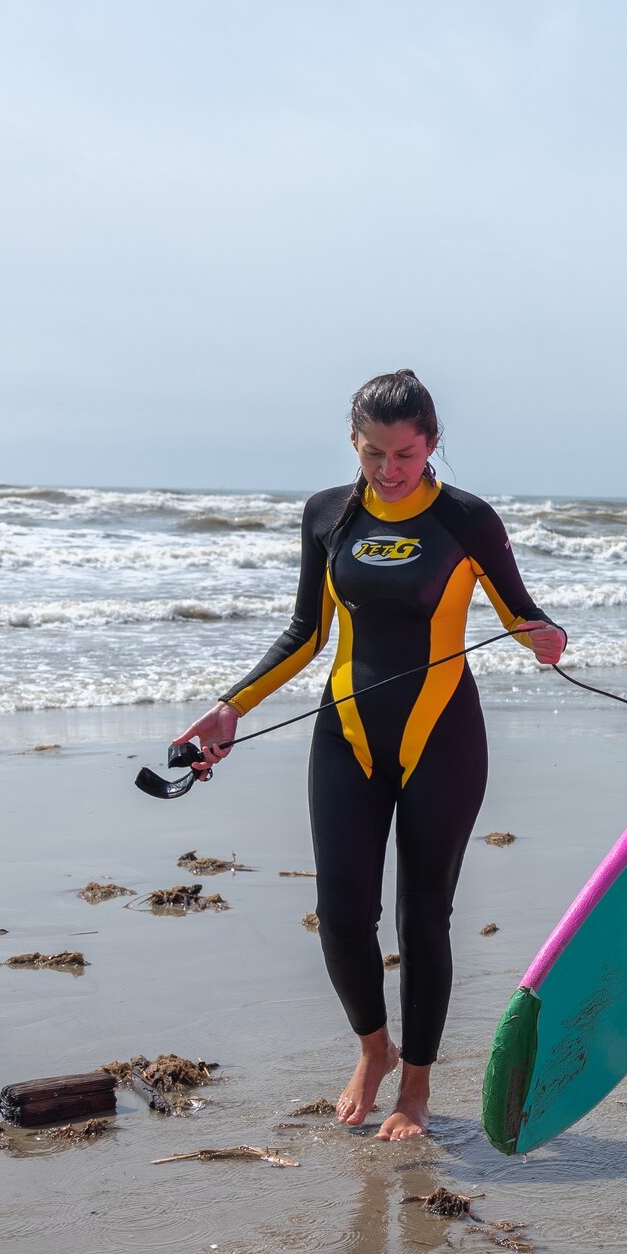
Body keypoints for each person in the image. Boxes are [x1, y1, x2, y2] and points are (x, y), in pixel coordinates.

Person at [177, 371, 563, 1140]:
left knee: (425, 918)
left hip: (441, 738)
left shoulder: (465, 521)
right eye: (375, 452)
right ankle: (374, 1048)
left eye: (407, 454)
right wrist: (230, 709)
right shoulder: (328, 514)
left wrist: (545, 639)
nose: (391, 469)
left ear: (433, 444)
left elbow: (523, 615)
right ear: (353, 443)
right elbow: (307, 634)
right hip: (345, 735)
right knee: (343, 916)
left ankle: (414, 1089)